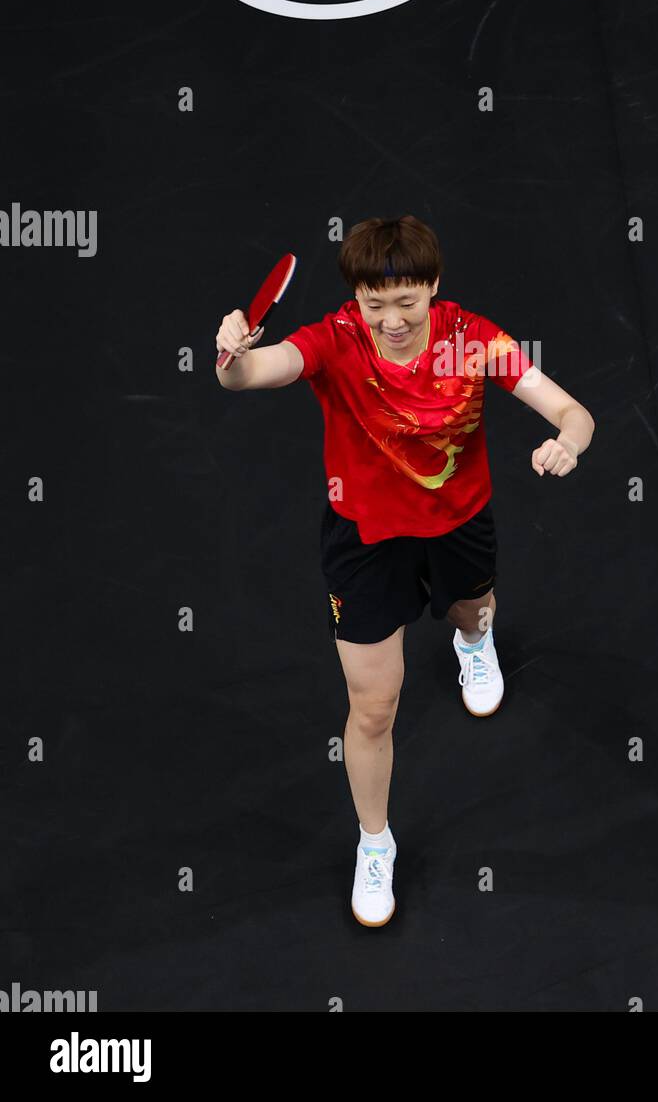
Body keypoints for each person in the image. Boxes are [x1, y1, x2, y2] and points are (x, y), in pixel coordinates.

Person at [215, 215, 595, 927]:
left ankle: (473, 647)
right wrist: (233, 353)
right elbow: (253, 375)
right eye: (374, 304)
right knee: (373, 708)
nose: (390, 321)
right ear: (355, 299)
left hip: (458, 523)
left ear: (433, 288)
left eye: (406, 302)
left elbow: (570, 410)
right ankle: (374, 842)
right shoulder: (334, 341)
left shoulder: (473, 340)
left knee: (473, 608)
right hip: (364, 542)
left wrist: (567, 443)